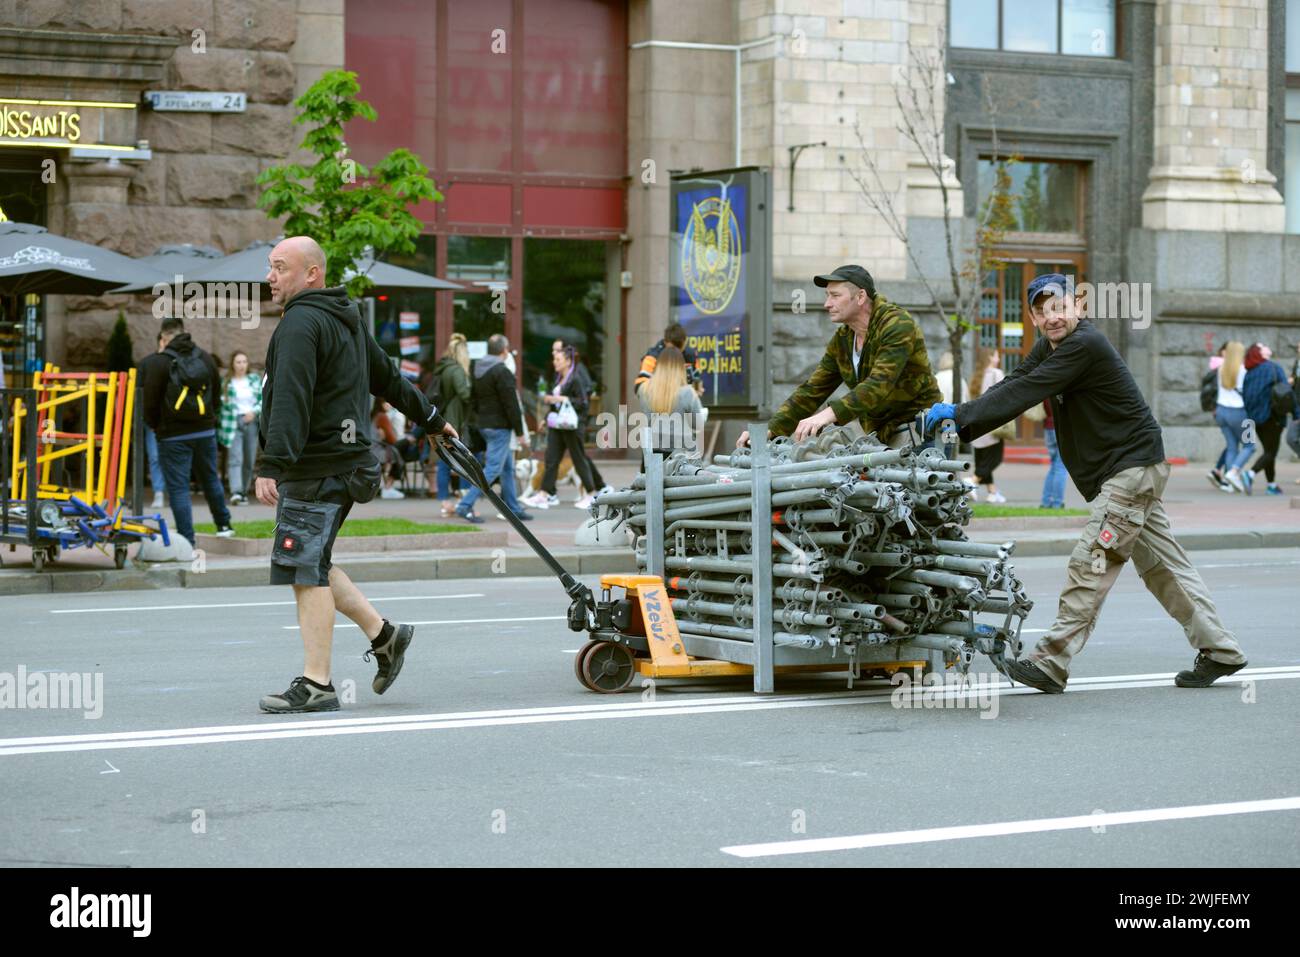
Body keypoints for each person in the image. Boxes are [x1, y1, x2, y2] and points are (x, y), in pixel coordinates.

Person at [924, 273, 1248, 692]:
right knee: (1164, 568)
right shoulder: (1051, 345)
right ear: (1033, 317)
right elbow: (1015, 382)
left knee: (1091, 561)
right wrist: (963, 414)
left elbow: (1029, 390)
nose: (1052, 317)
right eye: (1042, 310)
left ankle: (1051, 662)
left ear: (1078, 306)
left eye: (1059, 306)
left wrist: (961, 414)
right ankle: (1220, 650)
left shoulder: (1084, 345)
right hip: (1134, 469)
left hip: (1129, 471)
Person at [254, 236, 457, 714]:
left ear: (311, 274)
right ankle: (385, 636)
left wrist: (271, 464)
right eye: (271, 267)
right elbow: (387, 377)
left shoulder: (302, 322)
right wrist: (431, 419)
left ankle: (317, 684)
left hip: (316, 469)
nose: (270, 276)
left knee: (303, 569)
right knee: (313, 562)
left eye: (280, 267)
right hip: (342, 467)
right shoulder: (344, 318)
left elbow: (291, 397)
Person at [739, 265, 941, 450]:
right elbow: (812, 390)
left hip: (919, 431)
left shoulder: (896, 324)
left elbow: (879, 384)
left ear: (860, 297)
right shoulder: (843, 338)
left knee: (928, 490)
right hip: (880, 433)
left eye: (835, 296)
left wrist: (826, 416)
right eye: (827, 296)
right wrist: (770, 430)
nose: (827, 304)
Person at [138, 317, 234, 545]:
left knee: (179, 488)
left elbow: (148, 402)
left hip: (172, 435)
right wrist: (209, 420)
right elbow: (217, 393)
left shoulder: (155, 363)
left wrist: (156, 426)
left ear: (163, 337)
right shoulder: (205, 358)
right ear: (184, 332)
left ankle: (187, 539)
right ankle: (224, 525)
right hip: (205, 431)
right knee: (211, 478)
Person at [457, 333, 532, 524]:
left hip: (484, 425)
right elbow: (511, 405)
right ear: (504, 351)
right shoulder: (502, 371)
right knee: (492, 469)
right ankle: (465, 505)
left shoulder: (478, 368)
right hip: (500, 428)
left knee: (507, 468)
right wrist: (521, 433)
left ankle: (513, 508)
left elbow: (473, 398)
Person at [524, 343, 600, 509]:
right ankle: (544, 494)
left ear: (567, 361)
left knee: (578, 458)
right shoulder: (559, 379)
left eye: (558, 359)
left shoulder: (575, 378)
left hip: (572, 426)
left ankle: (592, 494)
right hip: (557, 425)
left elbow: (583, 403)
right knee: (551, 459)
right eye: (554, 359)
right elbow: (556, 404)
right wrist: (546, 416)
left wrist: (563, 399)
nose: (555, 362)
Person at [553, 338, 613, 500]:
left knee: (579, 456)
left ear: (568, 355)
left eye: (557, 351)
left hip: (574, 421)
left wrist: (568, 403)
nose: (554, 355)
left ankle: (595, 489)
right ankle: (548, 491)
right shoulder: (562, 373)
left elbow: (584, 396)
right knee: (573, 456)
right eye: (554, 351)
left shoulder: (577, 372)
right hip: (564, 421)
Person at [431, 333, 473, 515]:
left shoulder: (443, 368)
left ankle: (444, 501)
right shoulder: (456, 370)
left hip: (444, 417)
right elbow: (464, 394)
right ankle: (461, 500)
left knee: (444, 462)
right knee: (462, 461)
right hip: (454, 420)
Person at [636, 345, 704, 453]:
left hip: (653, 455)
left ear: (658, 366)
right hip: (682, 459)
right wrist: (696, 397)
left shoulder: (644, 390)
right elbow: (698, 424)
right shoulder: (687, 393)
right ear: (681, 368)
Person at [1243, 342, 1290, 495]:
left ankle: (1271, 485)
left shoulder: (1249, 372)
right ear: (1259, 353)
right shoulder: (1274, 368)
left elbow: (1245, 395)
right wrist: (1296, 413)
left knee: (1268, 451)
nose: (1267, 347)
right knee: (1271, 452)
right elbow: (1286, 392)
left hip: (1255, 418)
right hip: (1273, 417)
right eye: (1263, 346)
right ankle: (1250, 473)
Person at [217, 350, 262, 505]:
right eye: (238, 362)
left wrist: (254, 412)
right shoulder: (227, 382)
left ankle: (243, 491)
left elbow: (263, 399)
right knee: (236, 458)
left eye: (244, 362)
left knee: (249, 459)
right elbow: (223, 404)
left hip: (252, 421)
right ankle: (236, 492)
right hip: (233, 421)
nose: (242, 365)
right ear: (233, 364)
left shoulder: (254, 379)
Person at [1213, 341, 1255, 494]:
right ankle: (1234, 472)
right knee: (1250, 446)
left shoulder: (1221, 368)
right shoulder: (1243, 370)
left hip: (1221, 411)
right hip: (1240, 413)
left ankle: (1229, 483)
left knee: (1232, 447)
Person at [967, 348, 1007, 503]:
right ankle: (972, 481)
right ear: (990, 357)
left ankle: (992, 493)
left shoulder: (976, 376)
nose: (998, 358)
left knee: (983, 460)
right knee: (995, 459)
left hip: (978, 426)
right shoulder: (996, 374)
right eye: (996, 355)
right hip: (992, 425)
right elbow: (1004, 396)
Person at [634, 321, 702, 392]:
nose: (676, 353)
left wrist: (697, 389)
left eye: (679, 349)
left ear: (685, 342)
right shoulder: (652, 358)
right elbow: (639, 387)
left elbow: (697, 380)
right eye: (672, 349)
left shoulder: (691, 355)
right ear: (665, 342)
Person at [1039, 399, 1067, 509]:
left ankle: (1045, 502)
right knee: (1060, 467)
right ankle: (1057, 503)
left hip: (1048, 427)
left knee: (1053, 466)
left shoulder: (1046, 384)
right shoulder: (1061, 385)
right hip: (1060, 427)